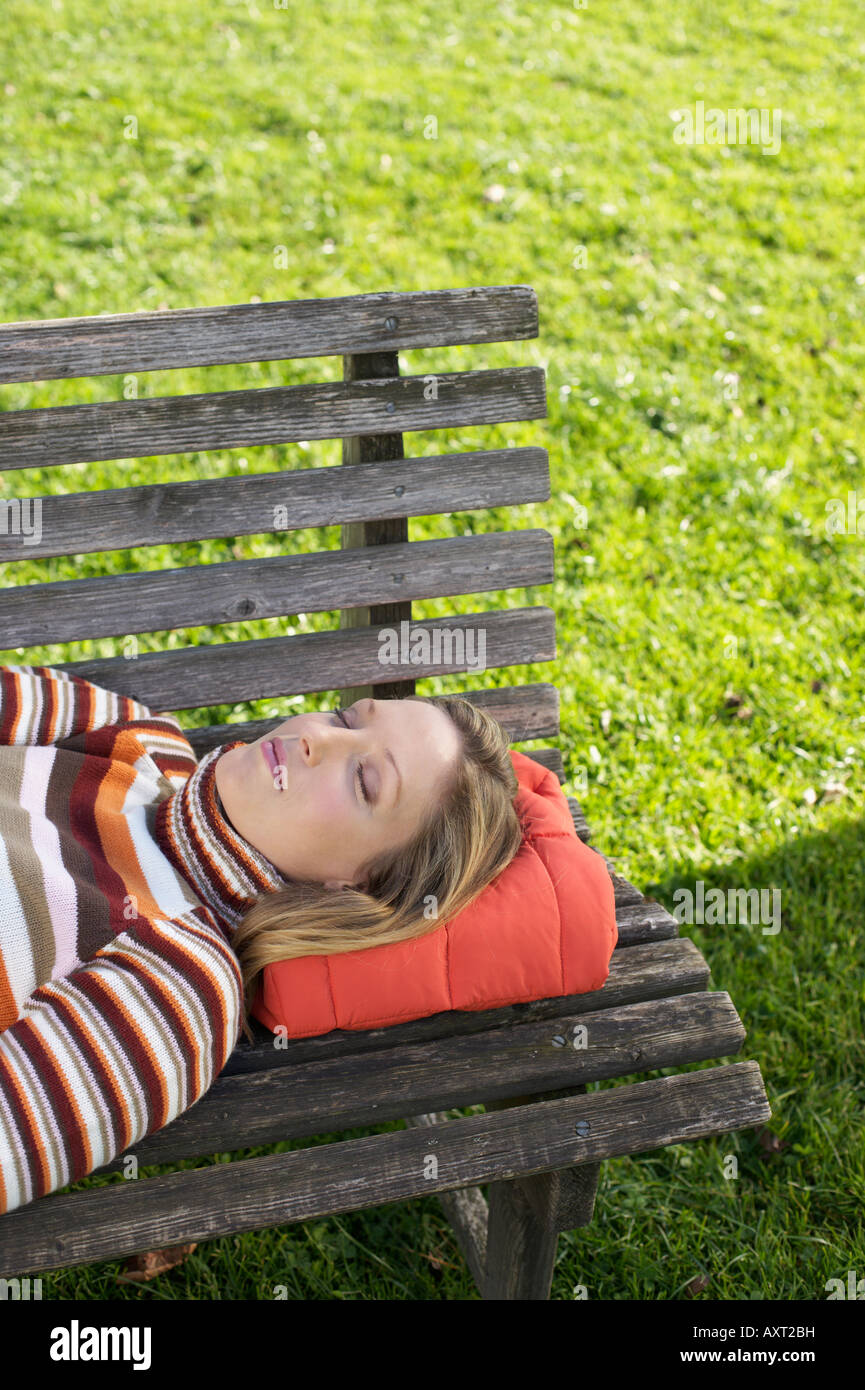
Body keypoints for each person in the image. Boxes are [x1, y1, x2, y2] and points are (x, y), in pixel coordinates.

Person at [0, 664, 522, 1215]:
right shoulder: (140, 739)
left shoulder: (178, 989)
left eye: (365, 780)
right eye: (345, 717)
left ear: (353, 885)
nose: (315, 738)